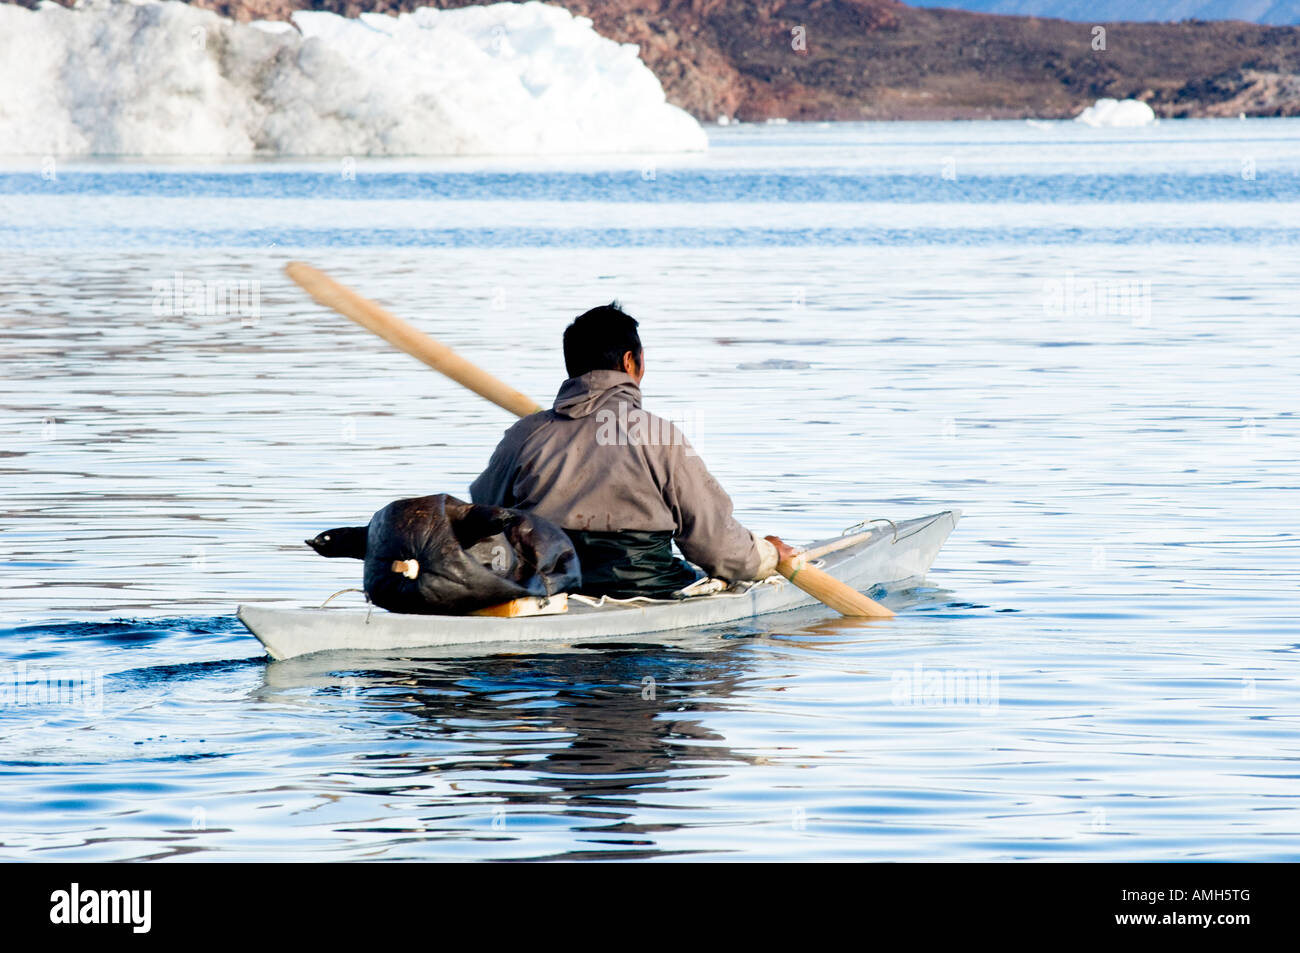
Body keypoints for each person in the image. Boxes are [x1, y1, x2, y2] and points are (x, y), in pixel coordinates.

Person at [470, 302, 796, 599]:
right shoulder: (659, 436)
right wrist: (768, 554)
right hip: (645, 588)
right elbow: (717, 546)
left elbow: (483, 515)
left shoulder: (525, 433)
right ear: (630, 362)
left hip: (547, 589)